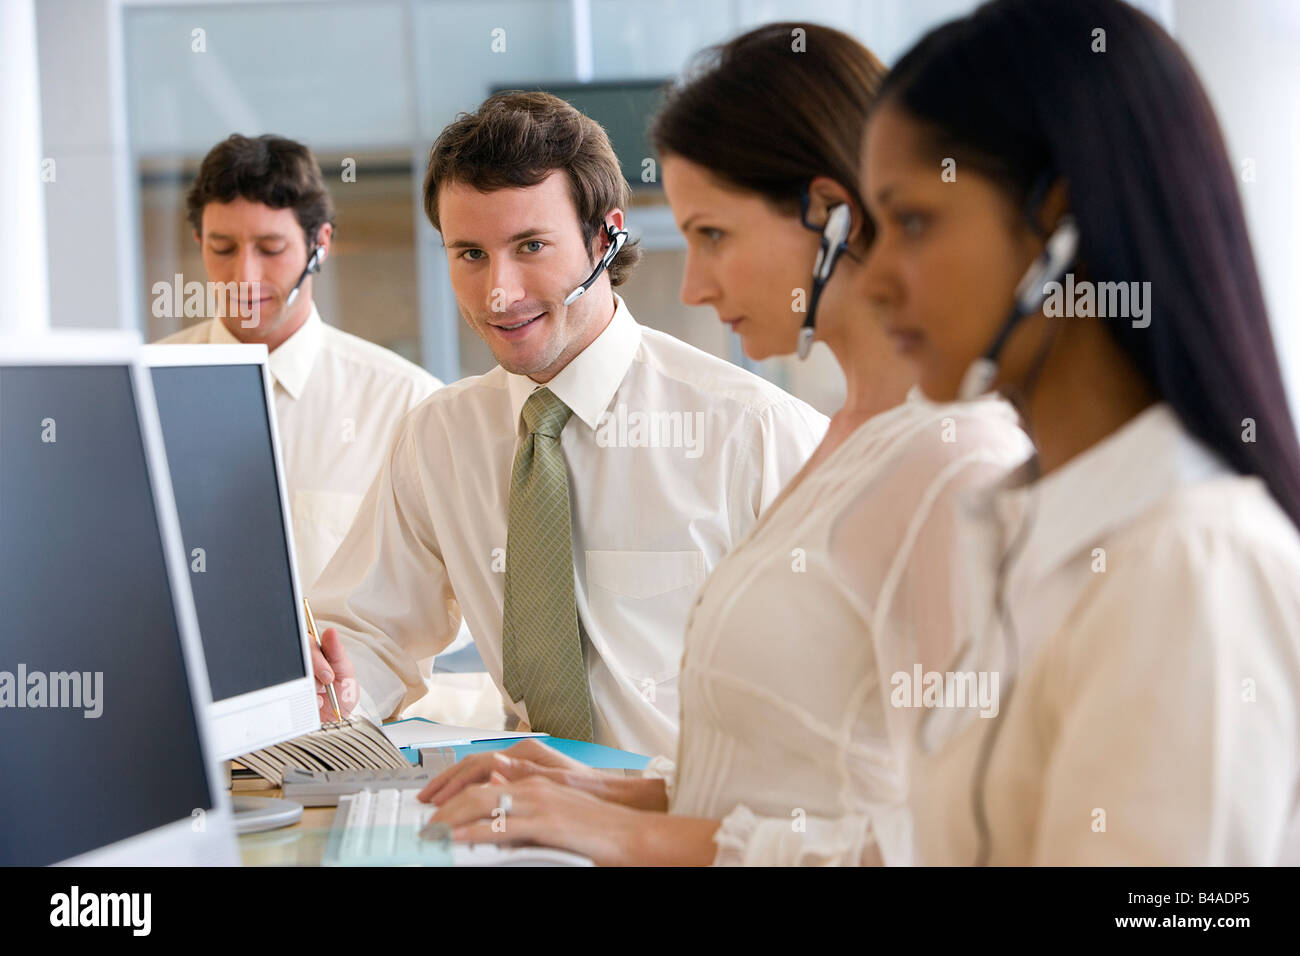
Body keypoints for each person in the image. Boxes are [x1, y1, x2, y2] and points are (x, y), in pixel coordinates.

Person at [417, 23, 1032, 866]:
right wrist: (602, 790)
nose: (694, 284)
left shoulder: (946, 461)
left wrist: (630, 832)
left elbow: (957, 840)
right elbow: (800, 772)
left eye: (712, 235)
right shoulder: (847, 443)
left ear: (830, 215)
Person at [851, 0, 1300, 864]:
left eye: (913, 222)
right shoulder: (1031, 533)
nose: (873, 283)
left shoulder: (1189, 565)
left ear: (1061, 223)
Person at [308, 90, 829, 758]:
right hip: (528, 830)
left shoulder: (754, 434)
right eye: (469, 254)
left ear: (605, 237)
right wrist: (335, 689)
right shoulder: (440, 439)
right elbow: (370, 635)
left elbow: (837, 713)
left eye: (531, 246)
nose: (500, 290)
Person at [157, 134, 443, 599]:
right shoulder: (146, 389)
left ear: (320, 242)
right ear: (198, 240)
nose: (244, 277)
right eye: (223, 248)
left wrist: (357, 644)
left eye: (270, 249)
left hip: (347, 674)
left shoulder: (406, 404)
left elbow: (463, 601)